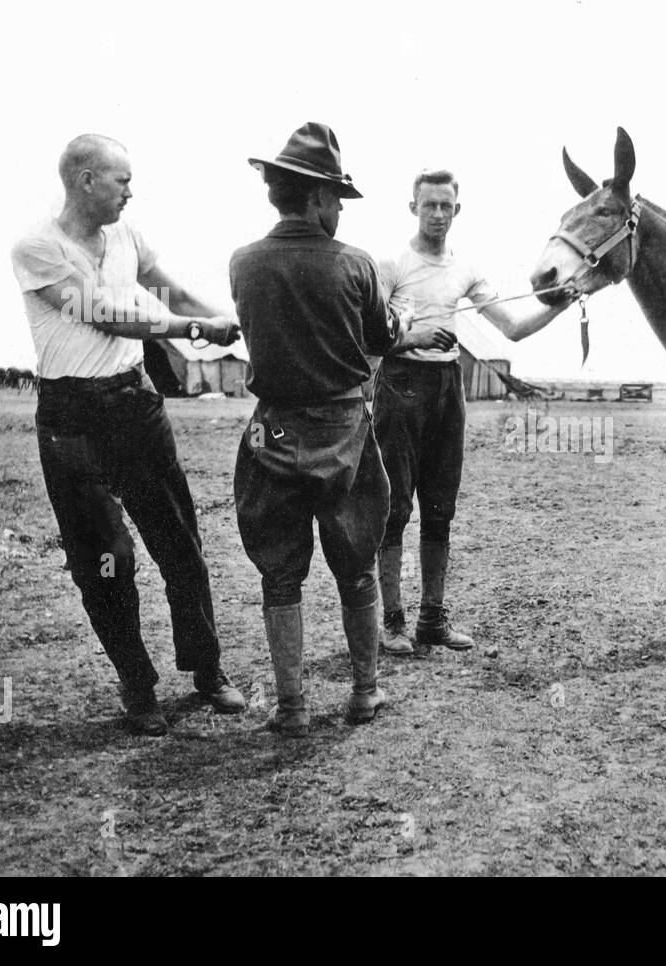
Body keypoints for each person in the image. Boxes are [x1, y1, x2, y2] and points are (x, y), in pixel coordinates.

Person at [10, 134, 246, 737]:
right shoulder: (37, 248)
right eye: (122, 180)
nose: (130, 191)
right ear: (87, 180)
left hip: (135, 404)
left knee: (180, 543)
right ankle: (138, 687)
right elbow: (104, 312)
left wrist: (231, 320)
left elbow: (166, 290)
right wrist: (194, 325)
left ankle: (207, 671)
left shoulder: (128, 238)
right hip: (72, 420)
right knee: (107, 559)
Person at [230, 123, 453, 735]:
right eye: (336, 199)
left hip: (272, 435)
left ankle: (292, 708)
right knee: (355, 569)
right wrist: (401, 318)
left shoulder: (242, 263)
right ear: (318, 196)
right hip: (344, 436)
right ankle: (364, 693)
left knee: (281, 576)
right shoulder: (356, 264)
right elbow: (383, 339)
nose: (338, 210)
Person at [374, 169, 573, 656]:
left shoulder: (466, 270)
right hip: (400, 388)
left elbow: (513, 328)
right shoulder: (391, 265)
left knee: (440, 509)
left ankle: (432, 621)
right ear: (413, 207)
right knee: (395, 509)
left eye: (446, 206)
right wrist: (413, 336)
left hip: (447, 389)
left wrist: (560, 306)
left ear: (456, 210)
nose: (437, 215)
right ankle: (393, 621)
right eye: (429, 205)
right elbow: (368, 333)